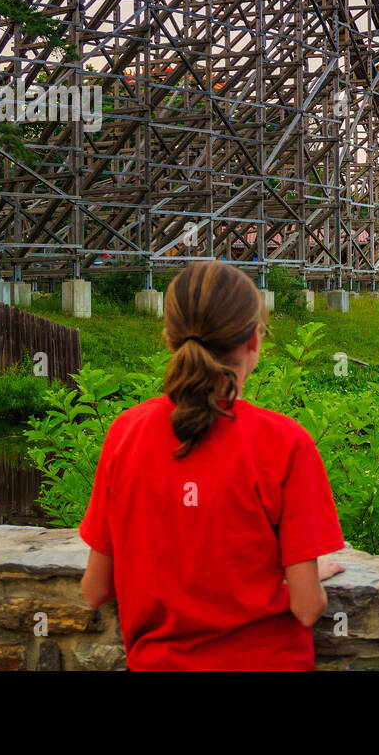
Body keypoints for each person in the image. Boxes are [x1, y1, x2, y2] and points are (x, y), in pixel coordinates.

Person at [79, 261, 345, 669]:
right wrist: (299, 575)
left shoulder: (124, 434)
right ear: (254, 341)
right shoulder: (286, 444)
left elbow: (95, 589)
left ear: (169, 340)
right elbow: (308, 608)